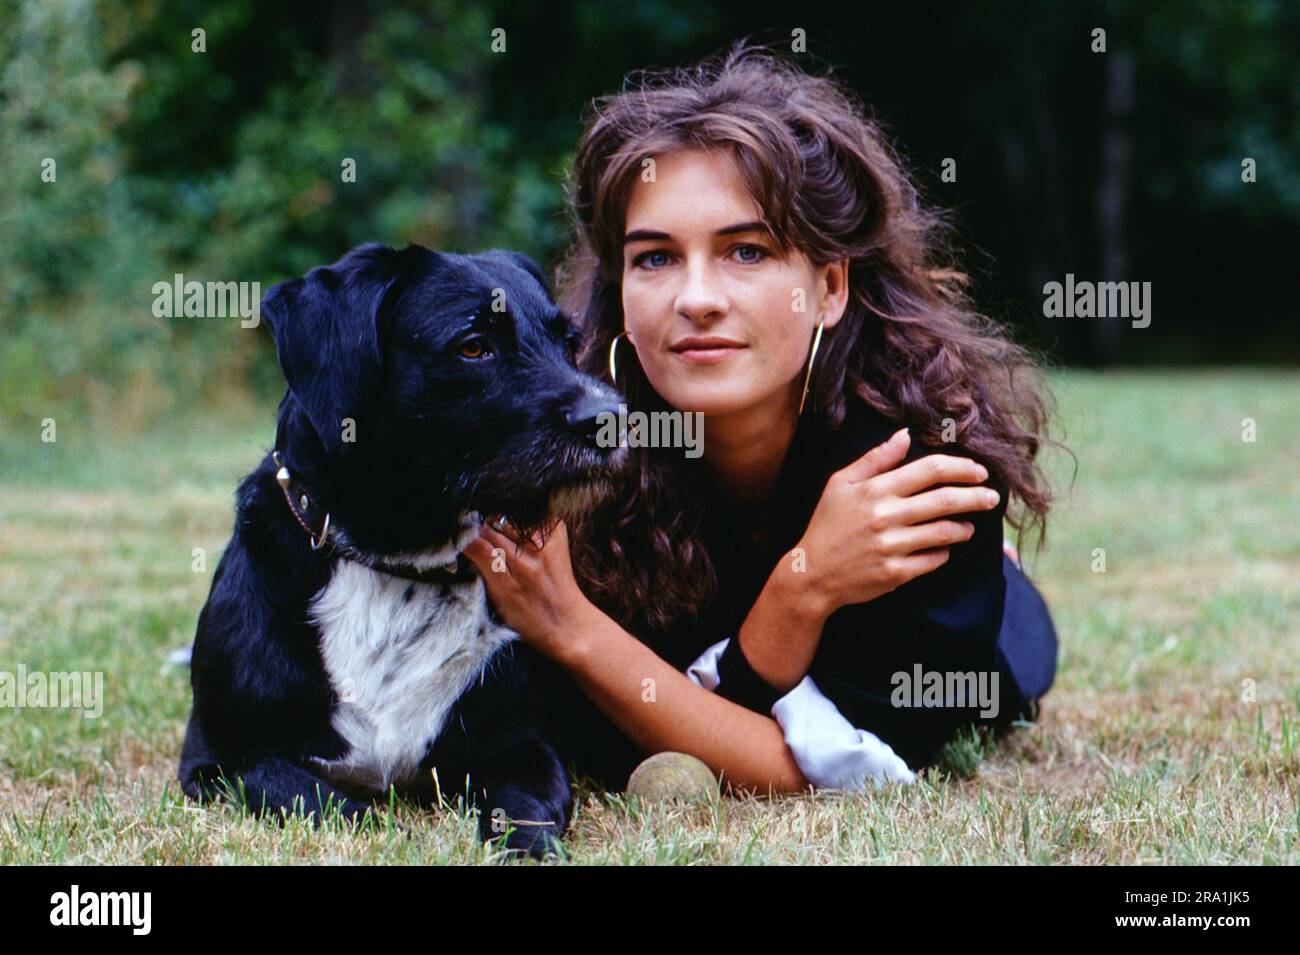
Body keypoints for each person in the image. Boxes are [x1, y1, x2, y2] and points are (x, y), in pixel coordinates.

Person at [462, 42, 1060, 797]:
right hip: (744, 632)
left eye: (746, 251)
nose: (697, 298)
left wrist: (574, 629)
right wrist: (795, 595)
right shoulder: (575, 445)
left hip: (977, 649)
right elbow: (621, 730)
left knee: (1003, 659)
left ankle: (1002, 573)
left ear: (830, 286)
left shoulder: (916, 464)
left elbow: (833, 768)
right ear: (618, 289)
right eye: (654, 259)